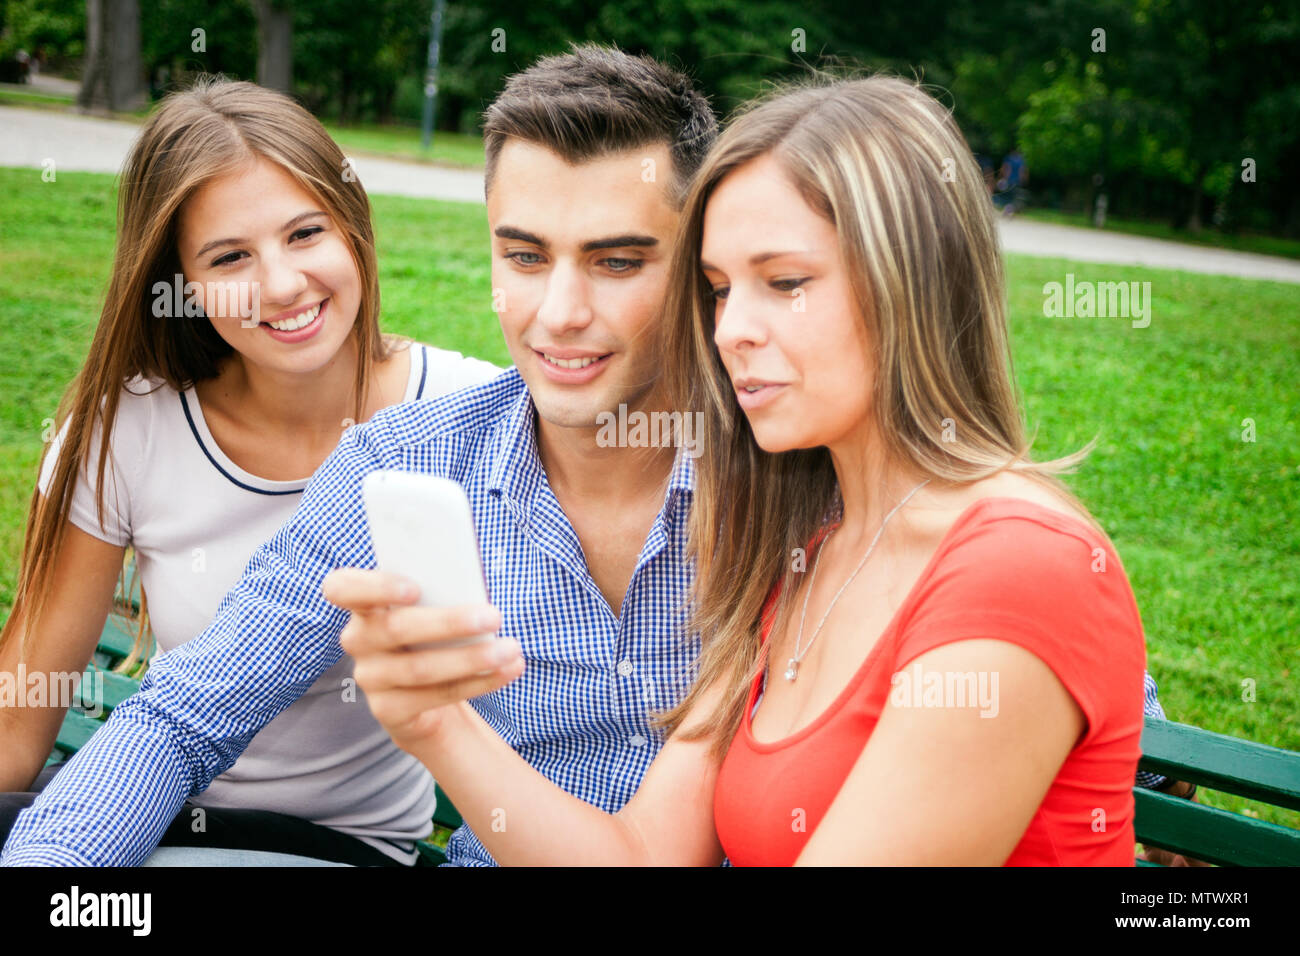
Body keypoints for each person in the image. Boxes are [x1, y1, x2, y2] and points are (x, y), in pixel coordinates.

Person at [2, 49, 1173, 868]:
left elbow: (1052, 663)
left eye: (620, 261)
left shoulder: (800, 470)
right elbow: (181, 719)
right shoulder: (407, 464)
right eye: (523, 254)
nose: (558, 312)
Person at [342, 75, 1151, 865]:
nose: (730, 331)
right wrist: (437, 722)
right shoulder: (805, 545)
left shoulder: (1016, 563)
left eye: (785, 283)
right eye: (720, 289)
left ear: (913, 285)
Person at [0, 77, 499, 866]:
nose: (281, 285)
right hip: (141, 808)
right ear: (180, 285)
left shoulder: (464, 413)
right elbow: (16, 723)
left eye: (305, 234)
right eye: (230, 256)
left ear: (353, 229)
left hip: (337, 849)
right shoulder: (128, 424)